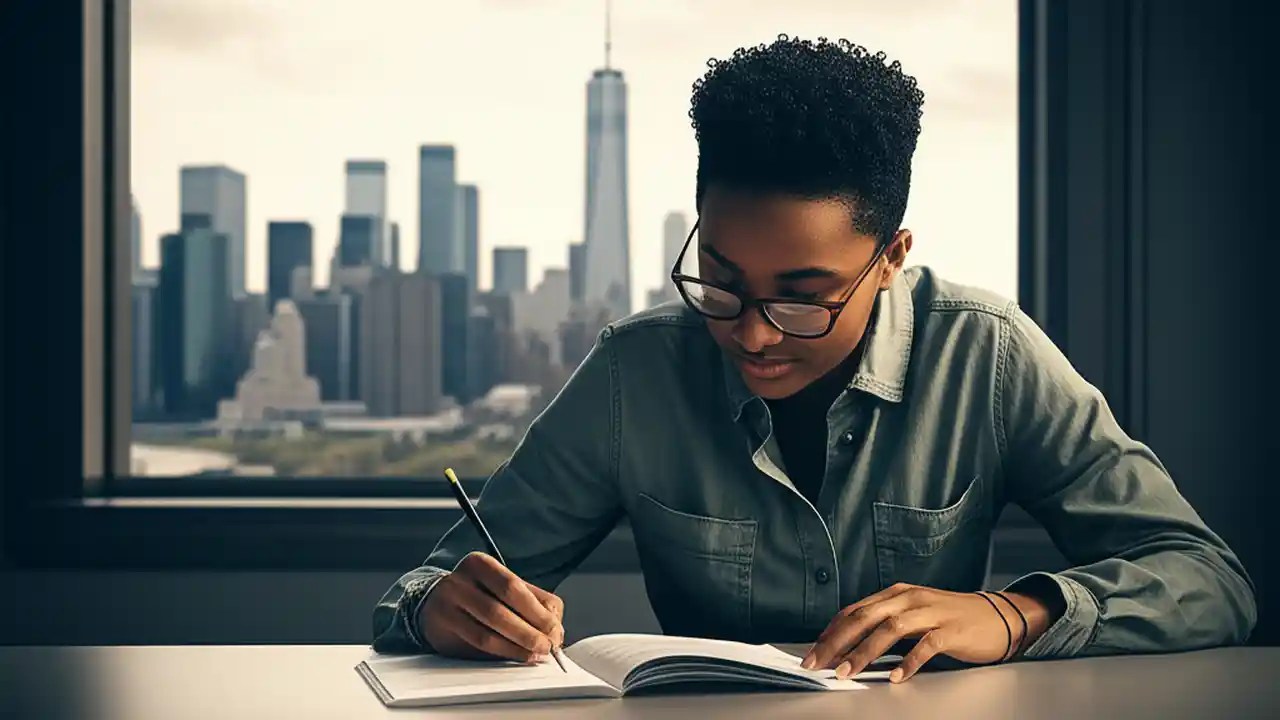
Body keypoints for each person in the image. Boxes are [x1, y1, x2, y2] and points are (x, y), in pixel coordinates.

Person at [372, 35, 1255, 682]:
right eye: (718, 282)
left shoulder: (986, 353)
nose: (752, 334)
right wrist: (442, 608)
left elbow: (1208, 579)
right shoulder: (632, 372)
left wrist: (1010, 614)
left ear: (894, 255)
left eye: (801, 300)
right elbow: (426, 587)